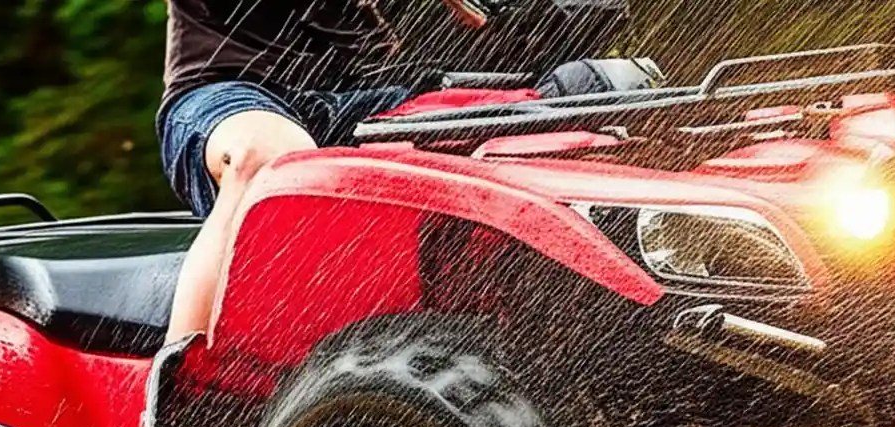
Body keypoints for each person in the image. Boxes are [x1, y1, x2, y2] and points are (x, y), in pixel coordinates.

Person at [156, 0, 635, 342]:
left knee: (577, 108)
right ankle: (183, 425)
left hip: (370, 98)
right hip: (232, 92)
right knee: (268, 156)